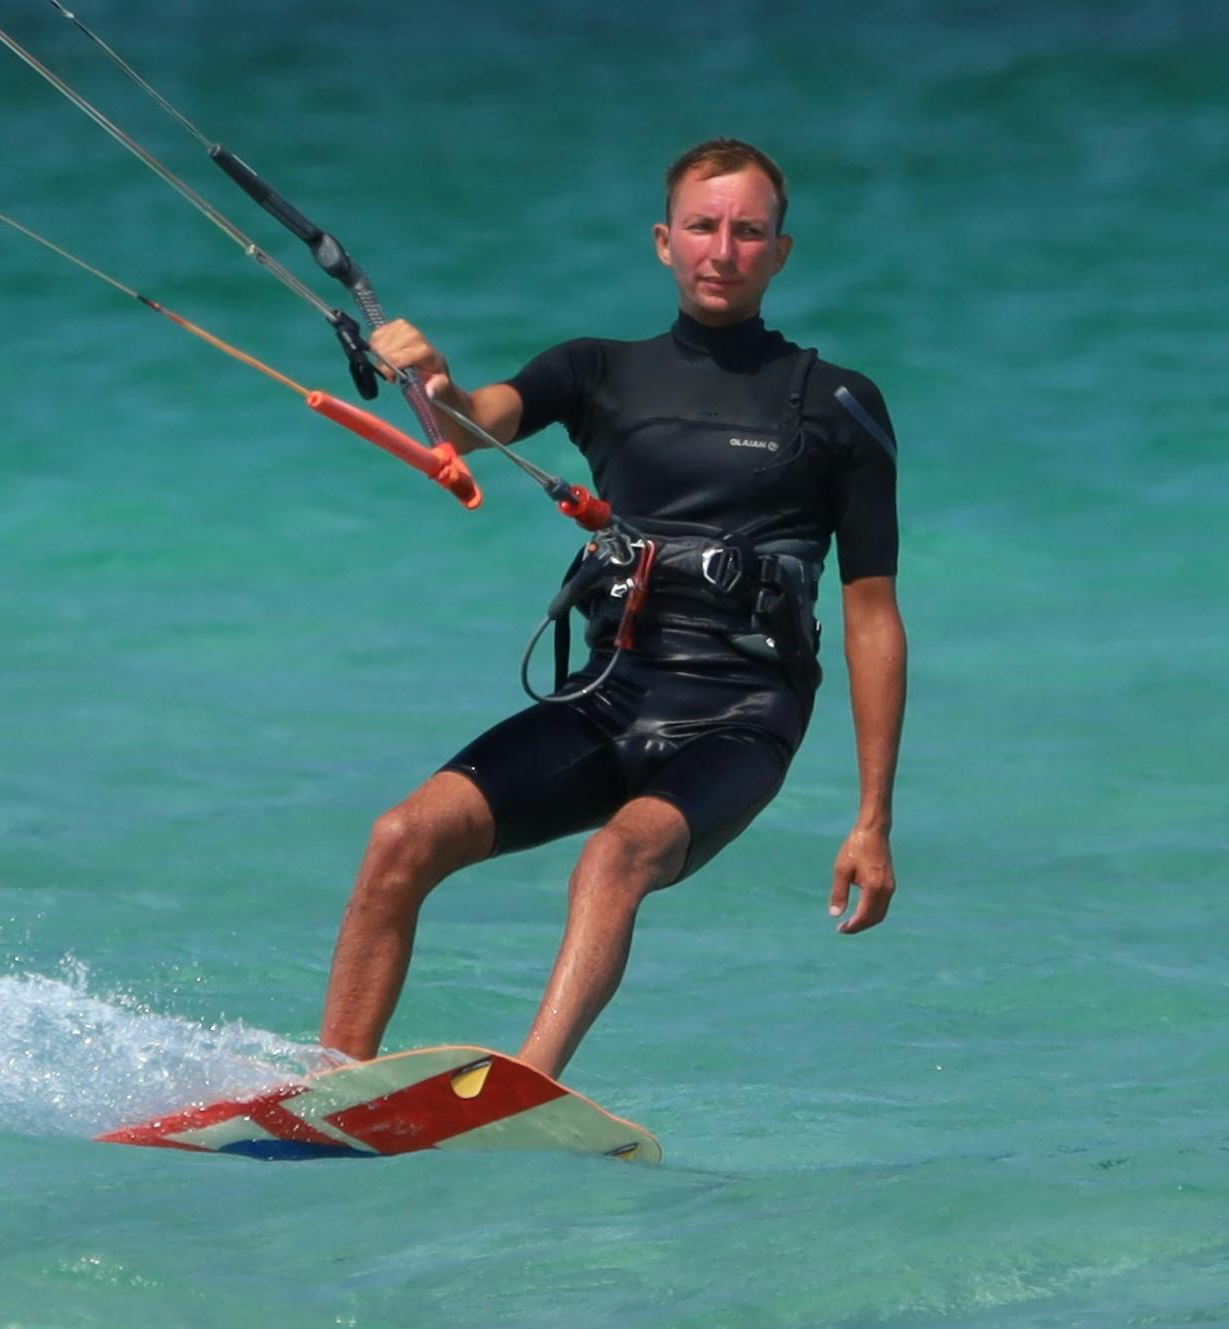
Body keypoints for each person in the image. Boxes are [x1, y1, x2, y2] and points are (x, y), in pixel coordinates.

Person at [318, 138, 900, 1078]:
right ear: (663, 242)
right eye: (703, 228)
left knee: (613, 859)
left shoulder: (837, 404)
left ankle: (526, 1085)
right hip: (609, 697)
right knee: (401, 837)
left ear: (779, 252)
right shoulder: (596, 369)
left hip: (743, 718)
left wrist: (872, 817)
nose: (723, 250)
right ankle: (327, 1083)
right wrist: (430, 376)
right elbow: (474, 418)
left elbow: (872, 611)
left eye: (748, 232)